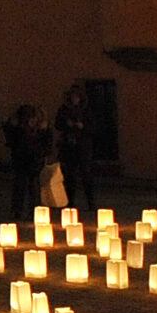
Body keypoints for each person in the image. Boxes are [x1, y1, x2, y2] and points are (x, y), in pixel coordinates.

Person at [53, 84, 97, 215]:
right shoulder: (64, 109)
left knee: (86, 175)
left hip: (83, 146)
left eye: (76, 97)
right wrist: (67, 124)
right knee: (69, 175)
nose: (74, 99)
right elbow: (58, 124)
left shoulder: (86, 110)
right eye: (72, 96)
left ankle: (91, 202)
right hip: (69, 146)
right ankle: (70, 202)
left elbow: (93, 127)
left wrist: (83, 126)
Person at [4, 104, 52, 219]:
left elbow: (47, 143)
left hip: (34, 160)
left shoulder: (39, 129)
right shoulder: (19, 129)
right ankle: (18, 210)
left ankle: (33, 210)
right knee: (21, 186)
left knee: (33, 186)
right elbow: (11, 141)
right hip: (22, 160)